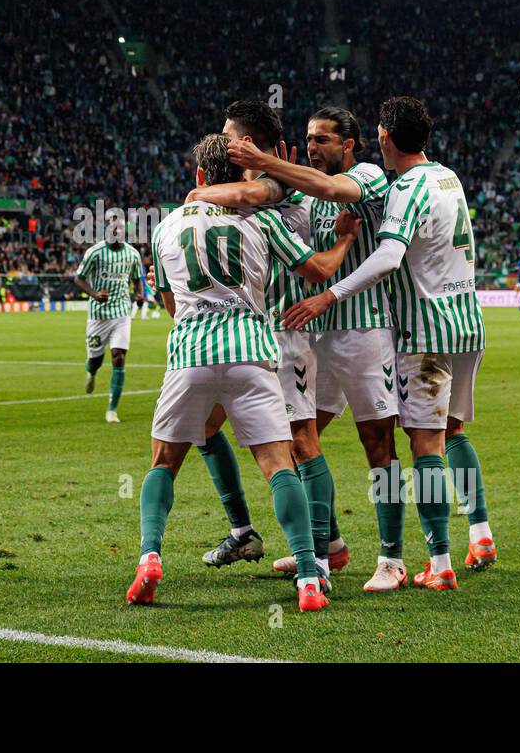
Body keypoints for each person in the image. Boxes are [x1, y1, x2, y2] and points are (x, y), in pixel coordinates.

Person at [126, 133, 356, 613]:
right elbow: (316, 270)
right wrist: (345, 239)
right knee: (278, 465)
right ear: (244, 176)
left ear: (200, 177)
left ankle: (149, 558)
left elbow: (169, 303)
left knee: (164, 462)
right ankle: (309, 577)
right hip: (253, 350)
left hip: (190, 353)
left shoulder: (165, 227)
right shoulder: (264, 219)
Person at [281, 96, 495, 591]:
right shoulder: (448, 176)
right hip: (465, 321)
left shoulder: (398, 185)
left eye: (322, 138)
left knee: (422, 444)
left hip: (423, 329)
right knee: (450, 432)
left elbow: (389, 257)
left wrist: (327, 295)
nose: (312, 146)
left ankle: (429, 561)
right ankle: (479, 532)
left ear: (379, 138)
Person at [227, 107, 407, 591]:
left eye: (324, 139)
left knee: (378, 444)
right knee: (295, 441)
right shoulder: (305, 188)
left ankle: (391, 558)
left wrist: (265, 161)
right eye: (309, 138)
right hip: (312, 335)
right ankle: (326, 548)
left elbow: (330, 189)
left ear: (349, 145)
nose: (313, 146)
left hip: (365, 330)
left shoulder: (366, 177)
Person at [72, 220, 143, 423]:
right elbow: (79, 278)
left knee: (118, 356)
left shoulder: (132, 254)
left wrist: (139, 296)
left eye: (119, 230)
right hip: (98, 315)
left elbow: (137, 278)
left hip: (121, 313)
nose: (116, 233)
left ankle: (112, 409)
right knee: (96, 360)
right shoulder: (95, 252)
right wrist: (94, 294)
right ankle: (91, 372)